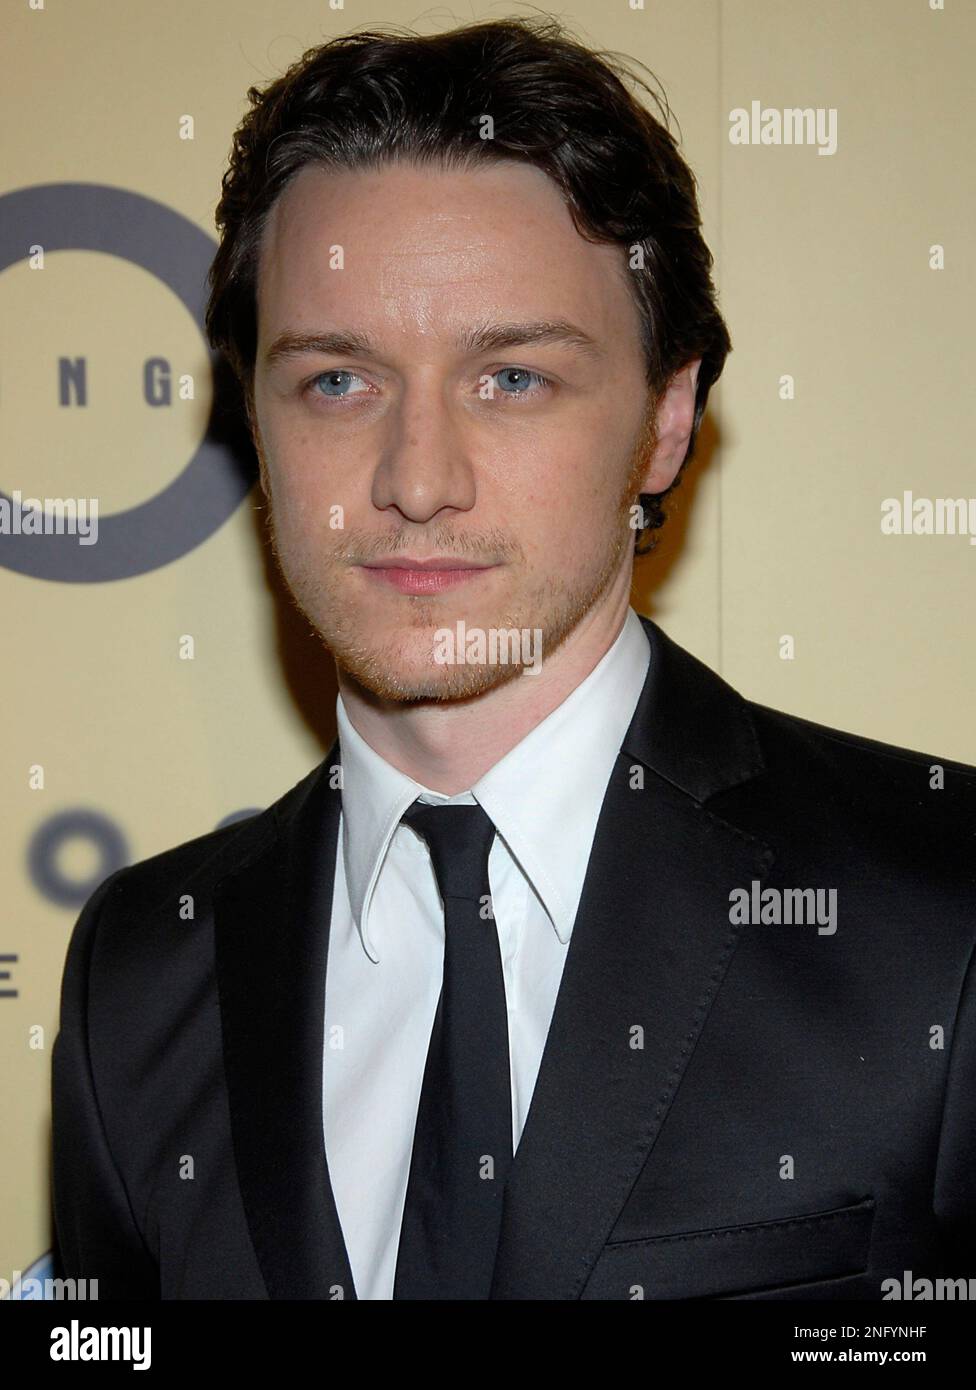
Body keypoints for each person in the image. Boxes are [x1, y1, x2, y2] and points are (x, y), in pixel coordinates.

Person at [51, 15, 975, 1301]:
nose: (416, 481)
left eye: (513, 379)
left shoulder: (945, 909)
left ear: (663, 421)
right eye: (335, 381)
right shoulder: (143, 970)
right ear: (251, 414)